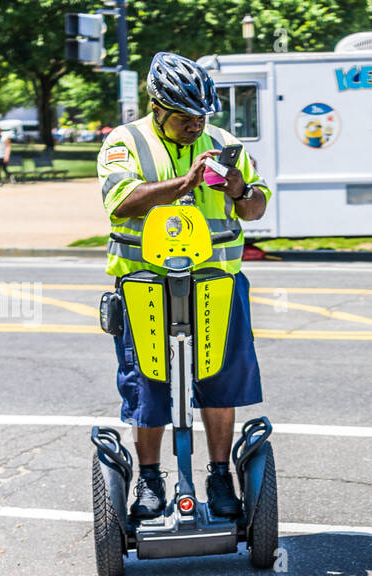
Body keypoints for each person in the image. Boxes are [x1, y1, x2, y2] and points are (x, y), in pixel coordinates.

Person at [97, 51, 271, 522]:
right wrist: (185, 182)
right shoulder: (124, 142)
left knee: (220, 381)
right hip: (145, 284)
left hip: (217, 282)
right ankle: (150, 481)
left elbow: (256, 208)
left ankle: (219, 476)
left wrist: (238, 190)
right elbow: (121, 202)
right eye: (184, 118)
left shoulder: (223, 141)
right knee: (148, 384)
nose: (196, 126)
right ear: (157, 108)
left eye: (202, 116)